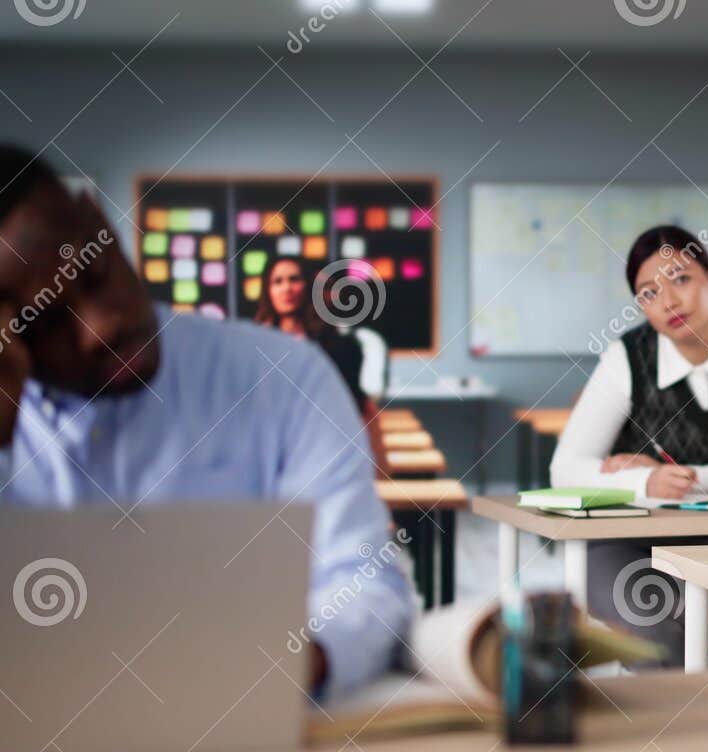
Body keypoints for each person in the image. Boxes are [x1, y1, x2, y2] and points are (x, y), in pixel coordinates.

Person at [0, 144, 411, 699]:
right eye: (46, 321)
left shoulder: (284, 378)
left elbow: (364, 581)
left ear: (98, 220)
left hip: (259, 732)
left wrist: (272, 669)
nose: (99, 329)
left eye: (94, 276)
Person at [550, 225, 708, 668]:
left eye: (681, 279)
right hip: (628, 544)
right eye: (648, 293)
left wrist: (683, 480)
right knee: (657, 627)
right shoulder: (628, 356)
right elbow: (564, 470)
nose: (668, 301)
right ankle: (675, 739)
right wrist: (645, 481)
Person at [254, 254, 387, 475]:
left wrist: (378, 469)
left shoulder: (338, 346)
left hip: (326, 455)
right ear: (268, 290)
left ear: (309, 286)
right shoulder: (254, 346)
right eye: (277, 281)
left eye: (294, 279)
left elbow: (358, 406)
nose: (286, 288)